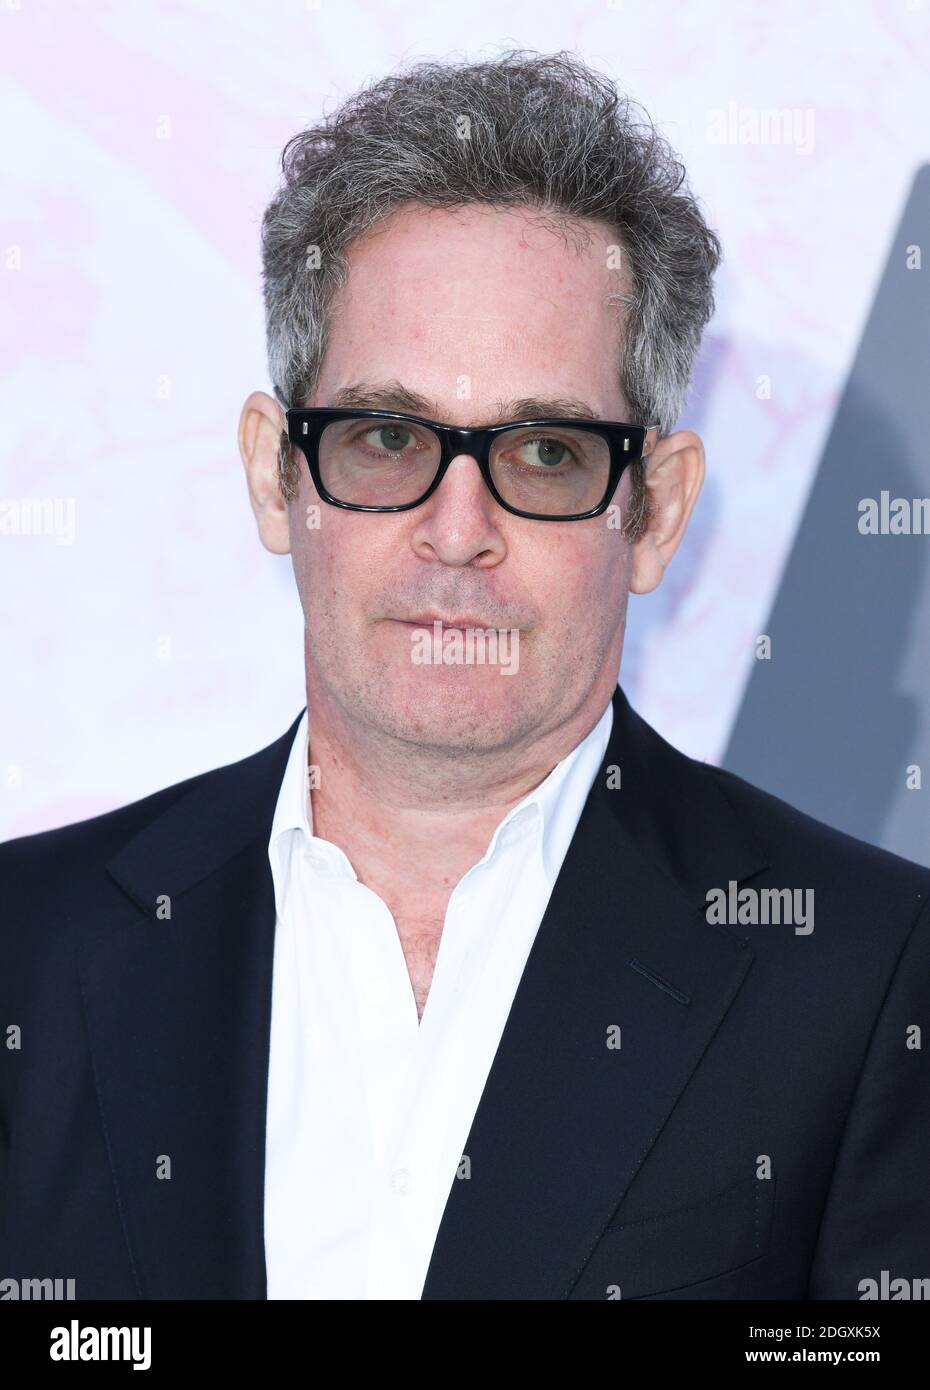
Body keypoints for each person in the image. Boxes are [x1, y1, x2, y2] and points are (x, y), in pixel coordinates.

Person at [1, 50, 928, 1302]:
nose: (457, 529)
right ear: (278, 475)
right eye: (388, 438)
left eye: (545, 453)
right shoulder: (29, 947)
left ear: (654, 513)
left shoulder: (868, 976)